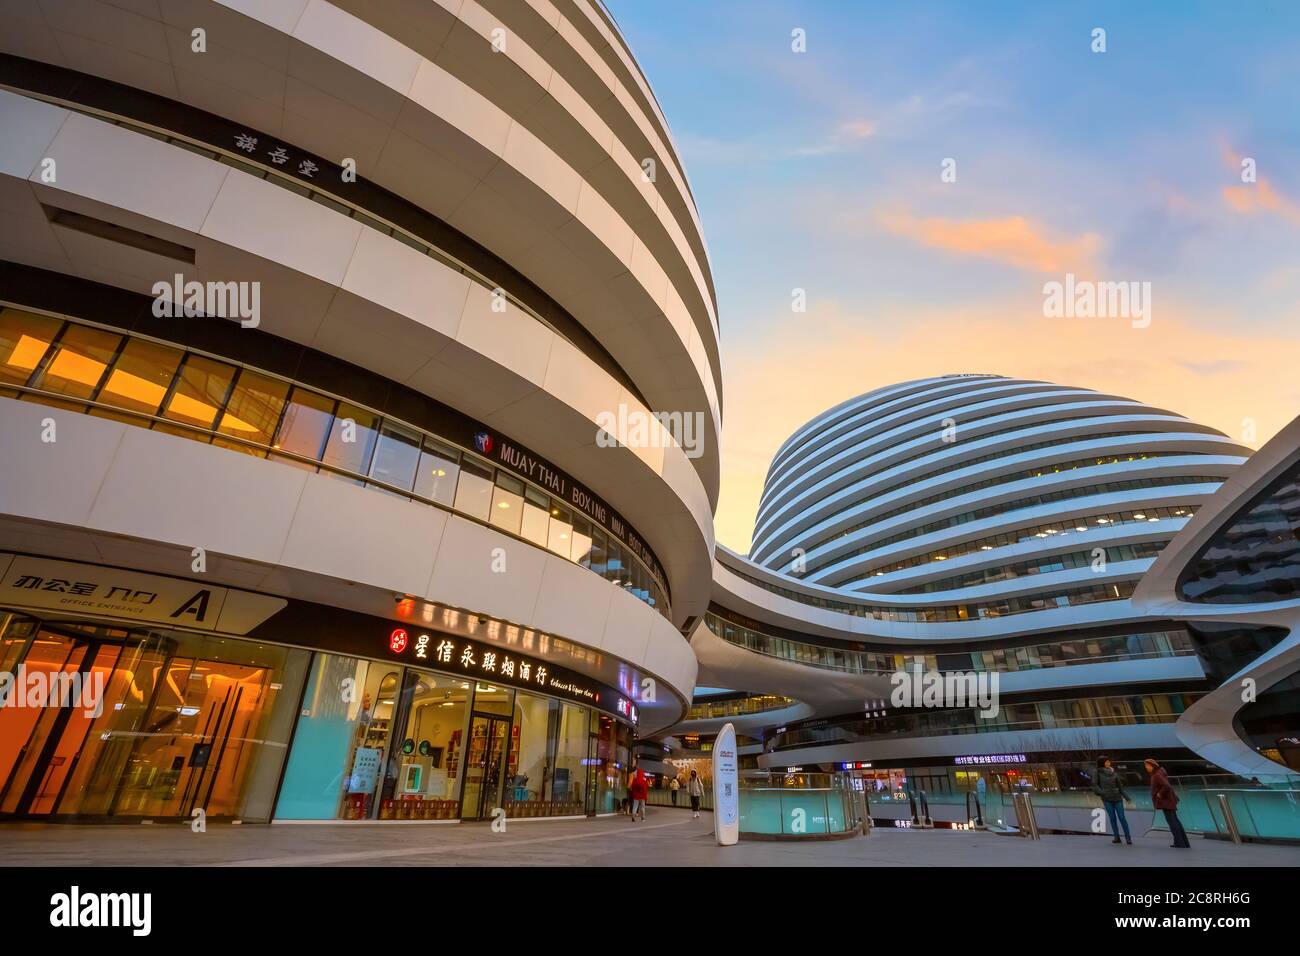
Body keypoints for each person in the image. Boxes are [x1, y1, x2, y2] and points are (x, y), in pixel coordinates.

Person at [1145, 758, 1190, 848]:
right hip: (1169, 800)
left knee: (1172, 822)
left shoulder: (1157, 775)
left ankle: (1180, 843)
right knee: (1175, 821)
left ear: (1151, 766)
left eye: (1146, 765)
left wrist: (1159, 794)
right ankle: (1183, 842)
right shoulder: (1159, 773)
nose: (1146, 767)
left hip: (1166, 801)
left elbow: (1167, 786)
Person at [1091, 755, 1132, 845]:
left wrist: (1127, 798)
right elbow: (1094, 785)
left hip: (1117, 798)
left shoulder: (1114, 773)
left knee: (1122, 818)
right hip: (1107, 799)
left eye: (1109, 762)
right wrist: (1103, 793)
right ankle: (1117, 837)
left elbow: (1120, 788)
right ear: (1102, 763)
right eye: (1107, 762)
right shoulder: (1097, 772)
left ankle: (1128, 838)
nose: (1109, 763)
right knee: (1112, 818)